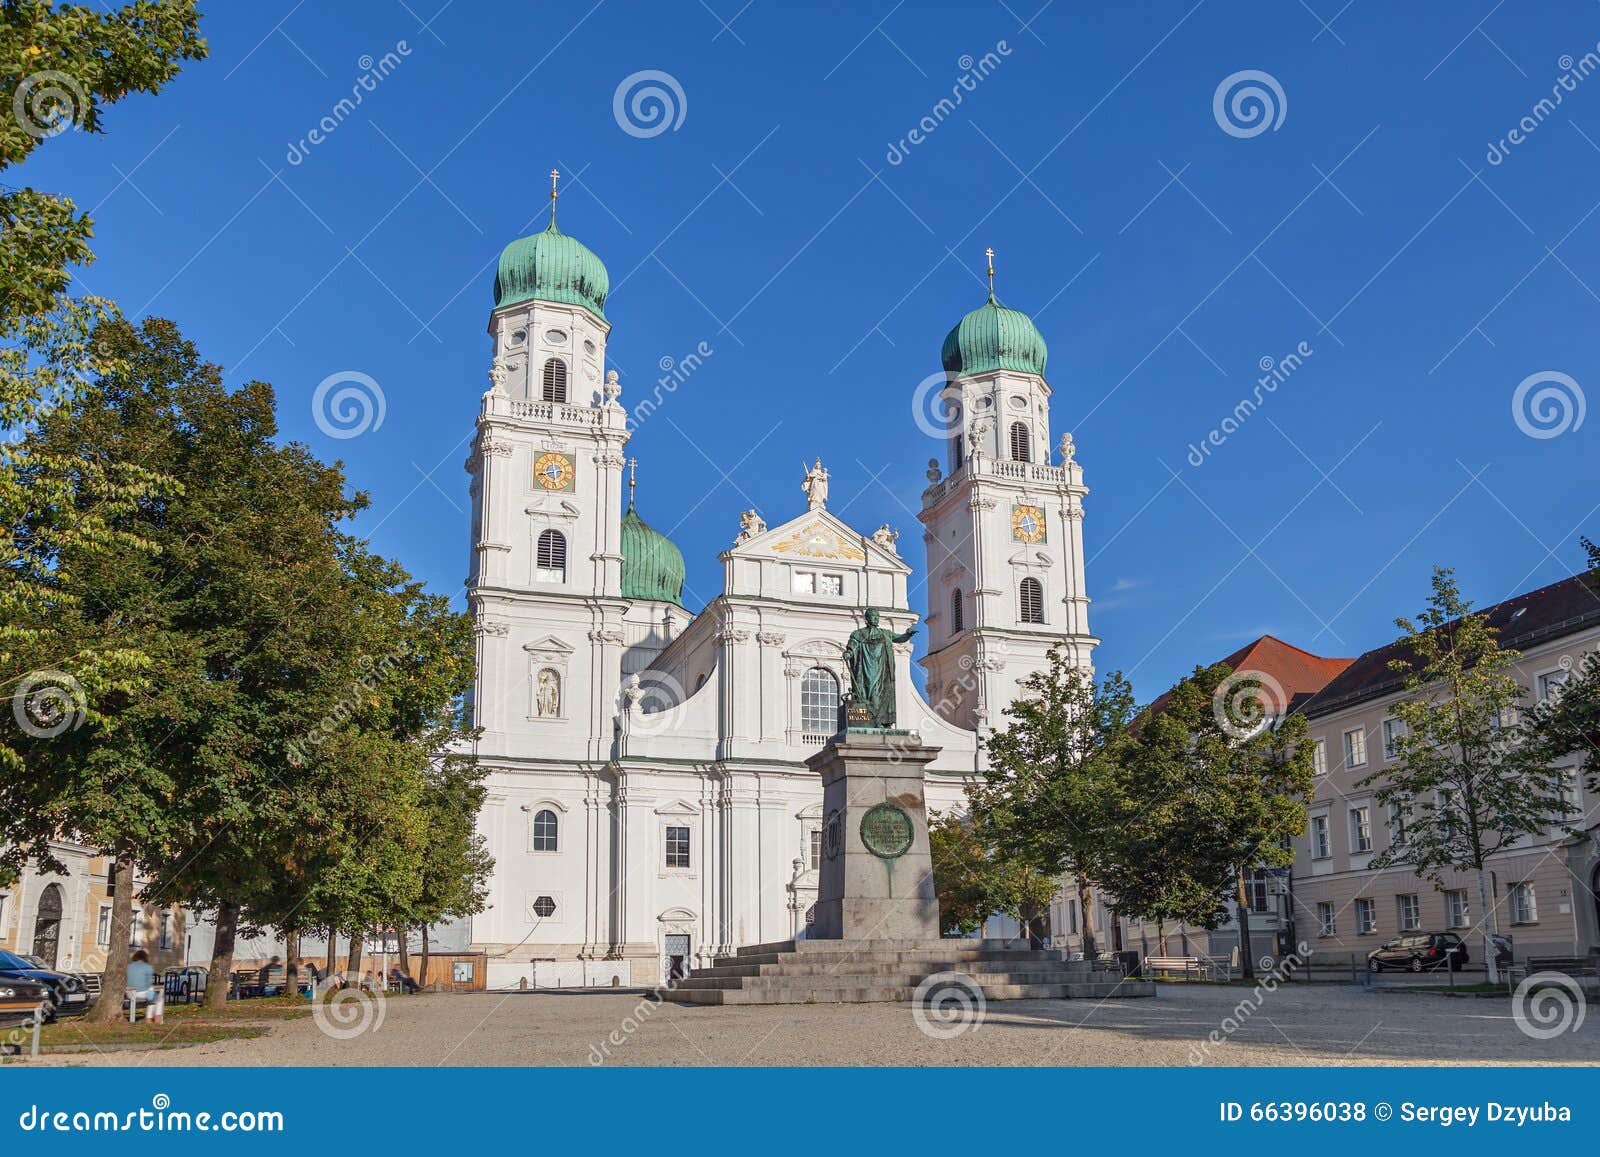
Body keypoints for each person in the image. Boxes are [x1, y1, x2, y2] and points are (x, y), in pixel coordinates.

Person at [125, 949, 163, 1023]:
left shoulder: (128, 967)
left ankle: (149, 1019)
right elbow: (149, 984)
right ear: (145, 958)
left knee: (151, 997)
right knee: (159, 998)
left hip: (129, 994)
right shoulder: (148, 967)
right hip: (141, 994)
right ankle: (155, 1019)